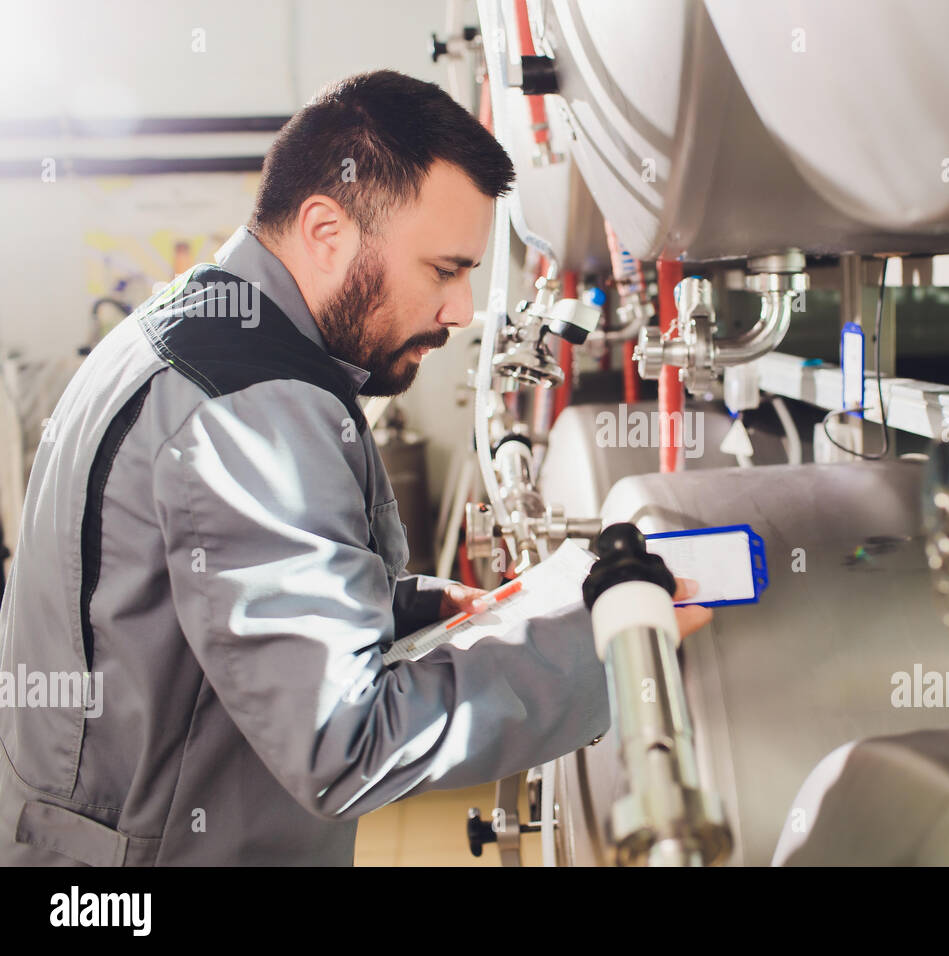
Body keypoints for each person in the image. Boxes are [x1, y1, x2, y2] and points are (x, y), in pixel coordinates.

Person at [0, 70, 710, 866]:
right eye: (443, 270)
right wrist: (605, 646)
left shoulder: (184, 331)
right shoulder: (252, 410)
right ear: (327, 229)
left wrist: (426, 613)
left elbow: (211, 601)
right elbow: (348, 743)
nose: (461, 310)